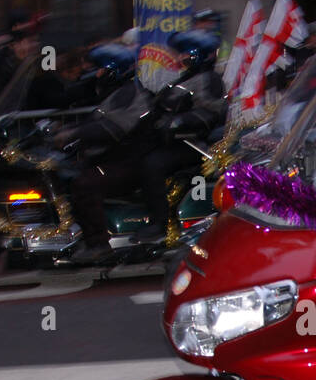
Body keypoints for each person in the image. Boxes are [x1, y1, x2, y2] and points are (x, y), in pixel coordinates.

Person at [66, 29, 225, 263]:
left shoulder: (208, 80)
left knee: (152, 164)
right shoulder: (188, 78)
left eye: (185, 55)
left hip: (191, 143)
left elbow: (211, 111)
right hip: (172, 140)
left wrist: (178, 122)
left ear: (198, 55)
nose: (180, 59)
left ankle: (158, 224)